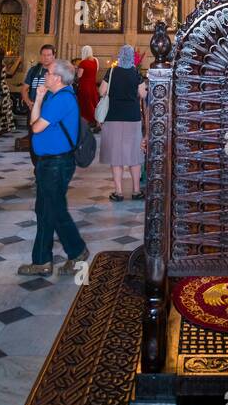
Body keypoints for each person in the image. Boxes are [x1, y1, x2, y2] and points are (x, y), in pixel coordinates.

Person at [18, 58, 88, 278]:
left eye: (47, 73)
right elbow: (33, 121)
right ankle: (42, 261)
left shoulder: (62, 99)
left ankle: (76, 251)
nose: (44, 76)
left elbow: (37, 127)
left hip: (57, 163)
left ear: (57, 78)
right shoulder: (53, 95)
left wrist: (39, 103)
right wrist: (38, 97)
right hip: (48, 162)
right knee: (45, 209)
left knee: (54, 210)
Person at [99, 45, 146, 202]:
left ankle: (118, 192)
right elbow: (143, 94)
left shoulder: (111, 72)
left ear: (120, 56)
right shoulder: (136, 73)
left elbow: (102, 91)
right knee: (134, 155)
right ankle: (136, 191)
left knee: (116, 156)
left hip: (113, 117)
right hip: (132, 118)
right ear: (132, 57)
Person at [21, 44, 55, 120]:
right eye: (43, 55)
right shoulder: (33, 70)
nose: (46, 57)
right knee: (32, 130)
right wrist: (28, 102)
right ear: (40, 56)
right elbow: (24, 89)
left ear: (53, 56)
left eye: (48, 55)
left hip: (49, 110)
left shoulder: (57, 72)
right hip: (33, 108)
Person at [74, 44, 100, 127]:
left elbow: (79, 75)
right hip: (93, 85)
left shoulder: (83, 62)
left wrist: (76, 69)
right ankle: (95, 120)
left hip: (85, 86)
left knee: (85, 104)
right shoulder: (95, 61)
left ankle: (88, 120)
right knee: (93, 103)